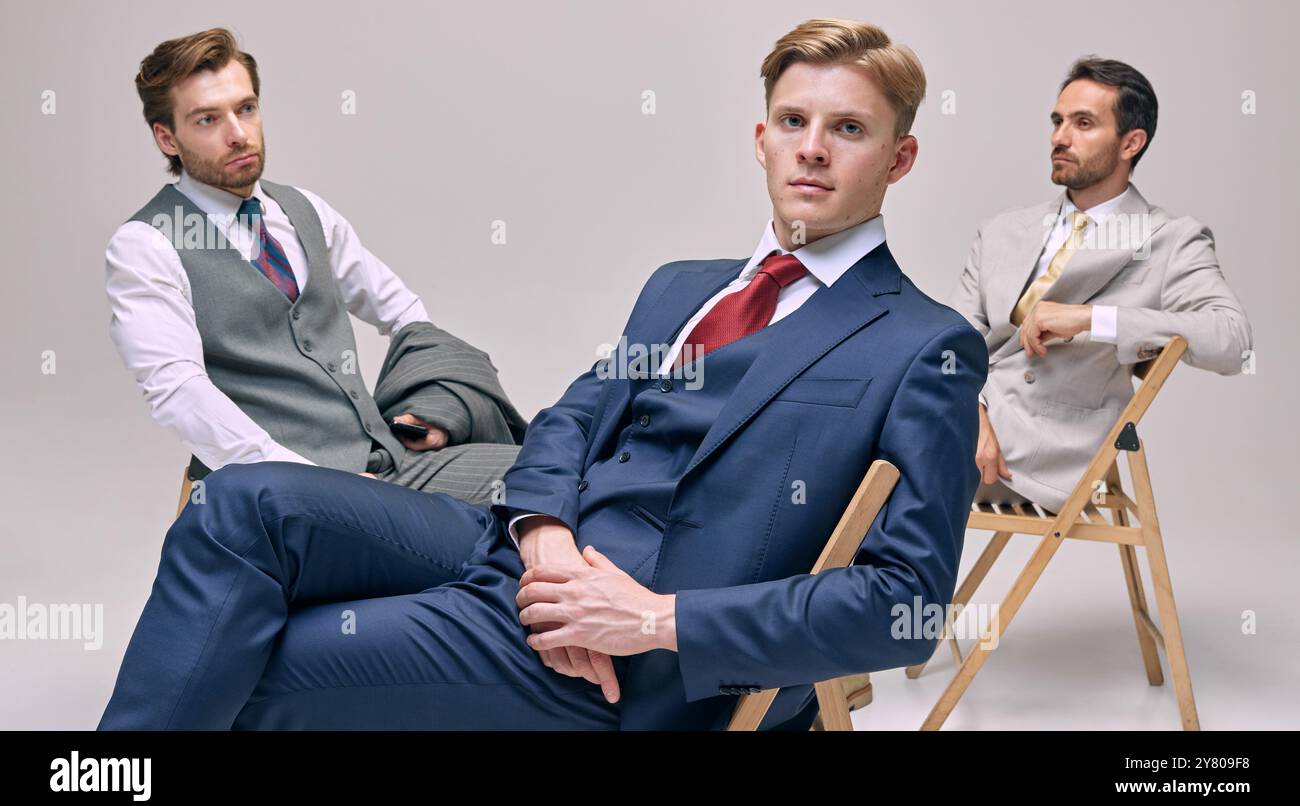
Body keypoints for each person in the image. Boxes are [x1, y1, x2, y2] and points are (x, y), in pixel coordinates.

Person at [98, 18, 986, 731]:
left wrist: (651, 620)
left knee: (242, 660)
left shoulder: (921, 343)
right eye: (795, 123)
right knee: (241, 501)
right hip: (513, 552)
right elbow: (567, 418)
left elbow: (904, 604)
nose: (814, 150)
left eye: (850, 129)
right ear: (761, 139)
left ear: (898, 158)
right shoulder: (683, 287)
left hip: (629, 655)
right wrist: (543, 535)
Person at [105, 28, 524, 506]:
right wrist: (315, 487)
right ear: (167, 138)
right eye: (207, 119)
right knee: (521, 509)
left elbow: (404, 312)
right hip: (282, 496)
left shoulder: (305, 211)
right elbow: (178, 392)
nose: (238, 133)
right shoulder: (145, 246)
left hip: (390, 468)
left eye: (246, 108)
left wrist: (430, 408)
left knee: (554, 471)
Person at [951, 57, 1252, 513]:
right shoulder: (1002, 231)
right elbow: (952, 342)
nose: (1059, 137)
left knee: (868, 458)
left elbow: (1232, 342)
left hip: (1046, 451)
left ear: (1131, 142)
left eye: (1083, 123)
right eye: (1058, 121)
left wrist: (1094, 319)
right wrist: (967, 413)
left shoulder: (1168, 239)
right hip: (966, 427)